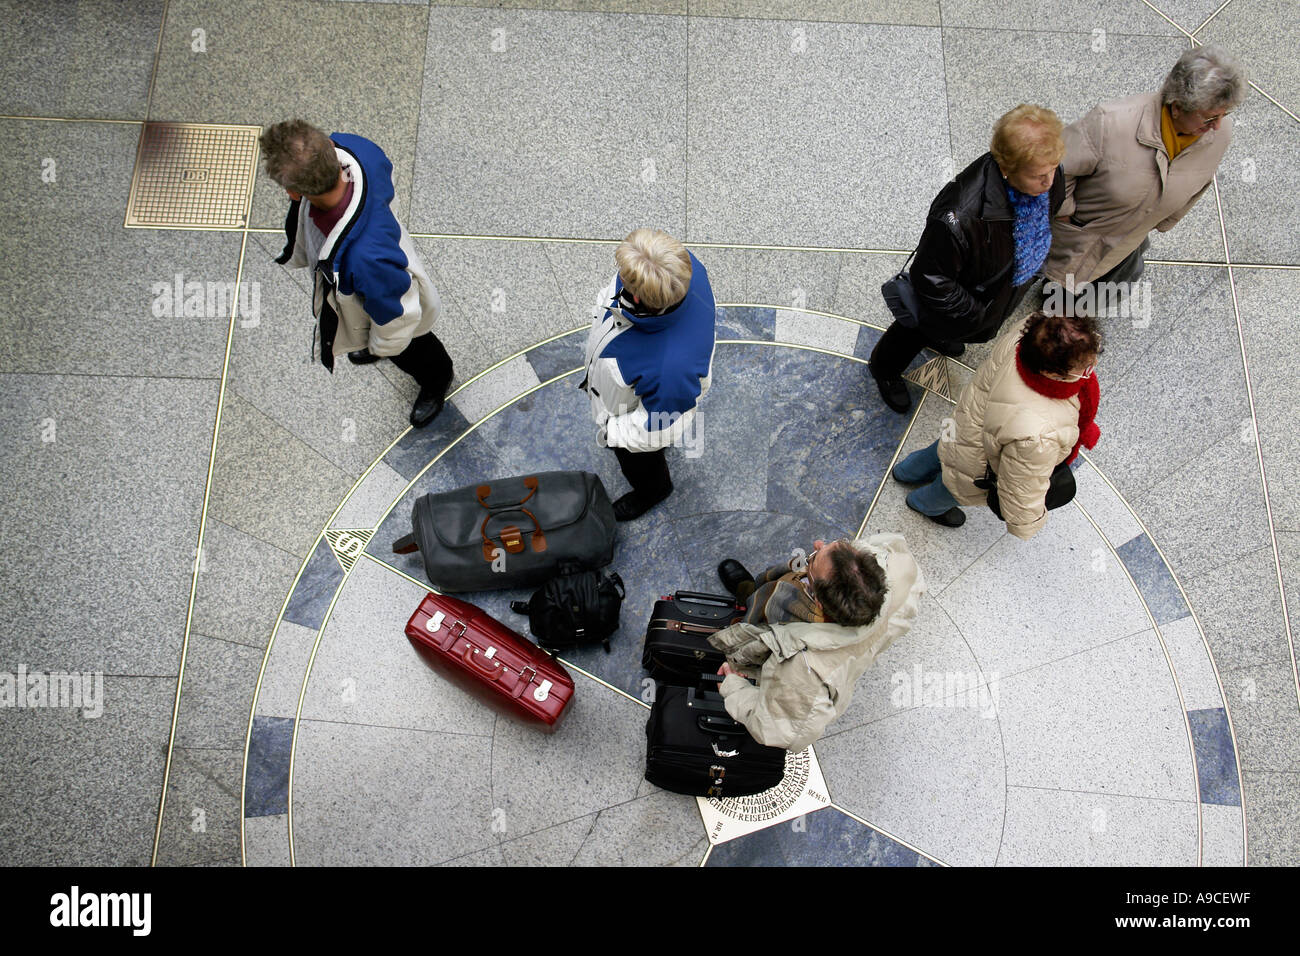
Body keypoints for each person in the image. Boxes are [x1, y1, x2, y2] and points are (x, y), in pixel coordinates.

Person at [870, 104, 1066, 413]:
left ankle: (946, 333)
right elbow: (930, 279)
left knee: (943, 328)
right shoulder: (959, 216)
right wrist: (974, 314)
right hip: (961, 302)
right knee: (914, 330)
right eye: (1040, 175)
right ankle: (884, 369)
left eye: (1054, 168)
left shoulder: (1044, 173)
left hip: (991, 291)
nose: (1050, 181)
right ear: (1006, 167)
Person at [261, 120, 453, 428]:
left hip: (389, 300)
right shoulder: (355, 148)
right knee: (385, 332)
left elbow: (397, 316)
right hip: (380, 271)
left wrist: (383, 345)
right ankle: (381, 346)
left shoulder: (366, 258)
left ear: (293, 193)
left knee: (412, 349)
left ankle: (437, 379)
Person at [1042, 45, 1247, 311]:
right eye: (1209, 118)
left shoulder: (1219, 133)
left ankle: (1071, 321)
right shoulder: (1109, 123)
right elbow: (1056, 169)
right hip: (1078, 238)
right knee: (1056, 289)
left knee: (1107, 287)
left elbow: (1203, 179)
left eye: (1224, 115)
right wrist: (1067, 215)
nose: (1218, 126)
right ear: (1177, 107)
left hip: (1129, 240)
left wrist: (1168, 218)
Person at [705, 535, 925, 752]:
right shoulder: (895, 566)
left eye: (812, 559)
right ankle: (751, 593)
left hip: (782, 666)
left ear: (818, 602)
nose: (818, 544)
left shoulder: (804, 672)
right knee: (768, 593)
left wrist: (734, 687)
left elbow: (776, 729)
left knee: (766, 615)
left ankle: (750, 600)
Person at [892, 310, 1102, 537]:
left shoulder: (1031, 331)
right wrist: (1027, 525)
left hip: (965, 423)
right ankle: (922, 503)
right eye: (1084, 367)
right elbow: (1021, 488)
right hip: (977, 465)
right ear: (1053, 373)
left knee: (940, 450)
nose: (1092, 366)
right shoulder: (1040, 434)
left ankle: (906, 471)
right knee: (951, 487)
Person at [581, 228, 716, 521]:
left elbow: (657, 428)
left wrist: (612, 433)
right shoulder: (682, 268)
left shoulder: (671, 369)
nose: (619, 278)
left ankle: (653, 490)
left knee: (642, 461)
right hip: (645, 390)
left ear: (639, 300)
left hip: (633, 418)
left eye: (625, 279)